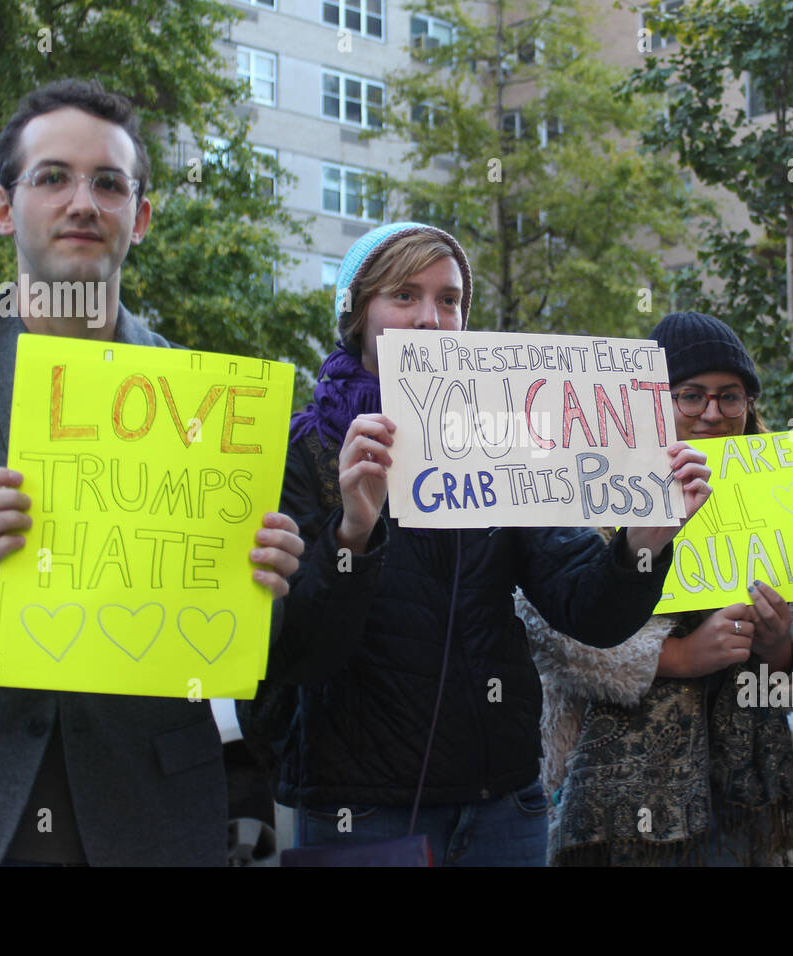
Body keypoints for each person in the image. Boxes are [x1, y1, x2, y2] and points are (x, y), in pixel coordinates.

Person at [0, 79, 304, 866]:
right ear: (2, 208)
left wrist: (268, 582)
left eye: (109, 183)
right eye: (52, 177)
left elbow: (244, 653)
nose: (82, 202)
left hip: (146, 825)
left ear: (143, 216)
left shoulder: (209, 405)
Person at [266, 221, 711, 866]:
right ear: (356, 316)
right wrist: (354, 534)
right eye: (403, 295)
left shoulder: (502, 439)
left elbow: (588, 610)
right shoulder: (305, 451)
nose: (430, 319)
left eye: (449, 301)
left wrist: (640, 545)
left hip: (504, 805)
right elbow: (300, 655)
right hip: (360, 810)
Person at [521, 311, 793, 866]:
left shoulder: (772, 491)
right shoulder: (588, 476)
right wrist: (679, 655)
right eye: (691, 395)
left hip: (749, 800)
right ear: (652, 403)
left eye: (730, 396)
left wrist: (779, 647)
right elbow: (547, 626)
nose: (714, 412)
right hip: (615, 801)